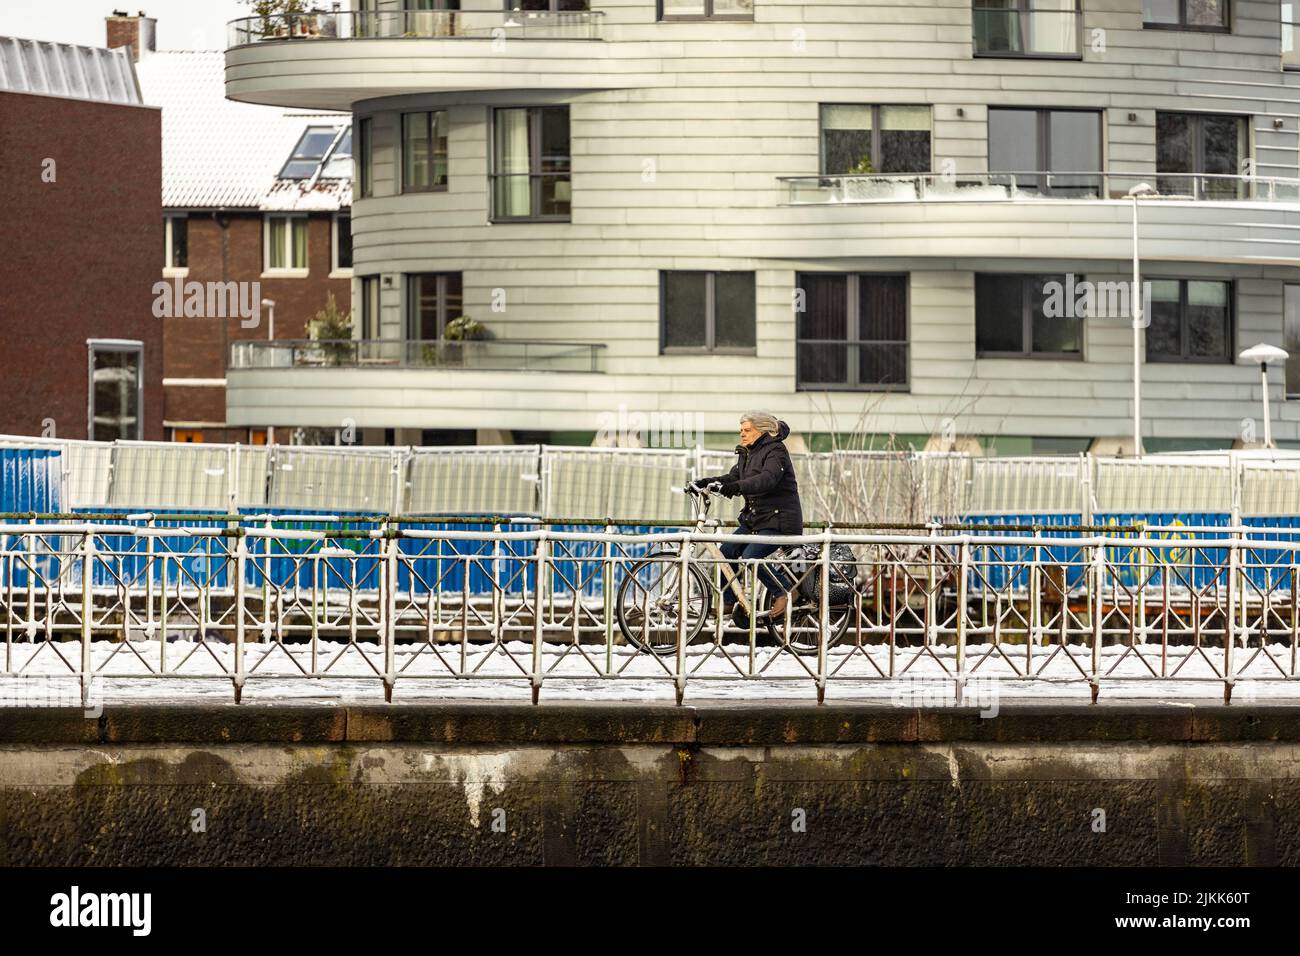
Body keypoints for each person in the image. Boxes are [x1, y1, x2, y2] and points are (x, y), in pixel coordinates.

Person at [689, 411, 803, 620]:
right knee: (727, 551)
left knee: (751, 556)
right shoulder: (747, 452)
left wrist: (736, 487)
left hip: (779, 520)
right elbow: (732, 477)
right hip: (757, 519)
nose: (742, 434)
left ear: (762, 431)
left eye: (747, 430)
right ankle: (732, 602)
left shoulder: (775, 451)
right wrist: (706, 482)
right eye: (741, 430)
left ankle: (784, 591)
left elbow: (767, 479)